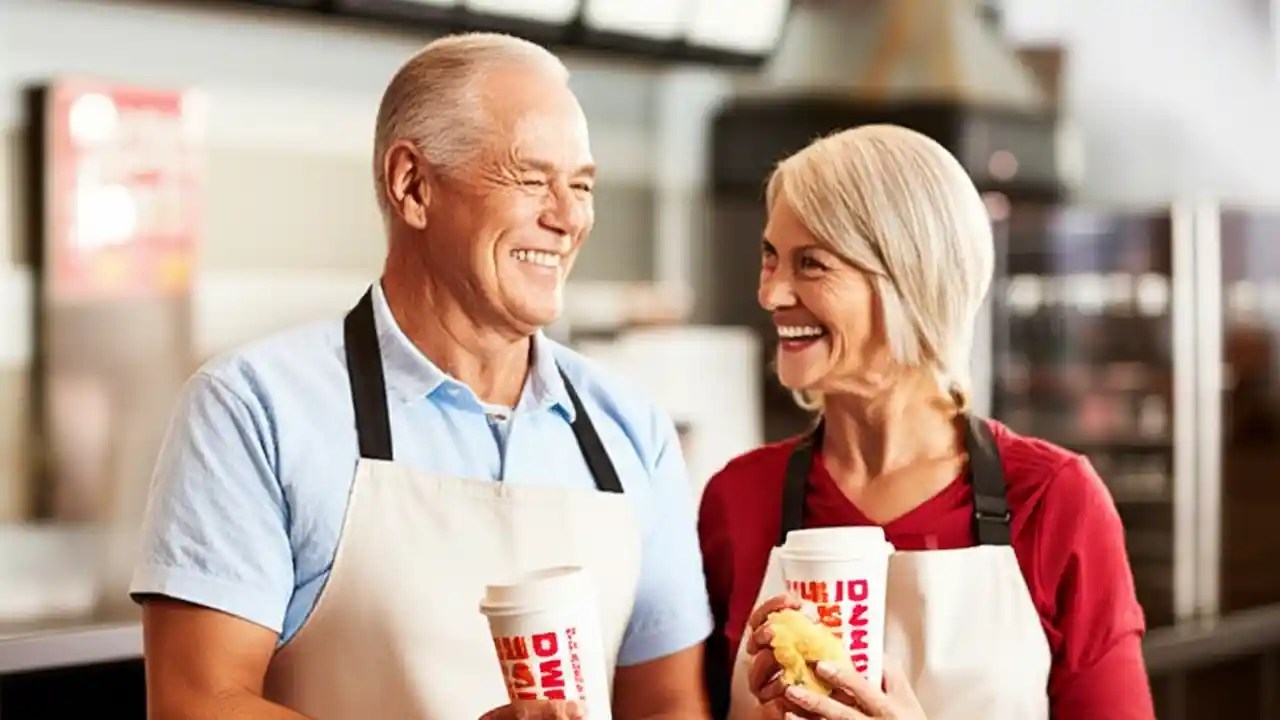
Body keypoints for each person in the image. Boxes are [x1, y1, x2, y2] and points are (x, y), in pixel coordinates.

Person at [130, 32, 713, 720]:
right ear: (412, 185)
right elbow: (197, 703)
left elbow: (667, 704)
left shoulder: (632, 430)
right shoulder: (251, 410)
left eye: (581, 185)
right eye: (531, 179)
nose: (568, 217)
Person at [697, 125, 1156, 720]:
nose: (771, 293)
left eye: (811, 264)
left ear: (908, 281)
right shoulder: (738, 499)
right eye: (771, 257)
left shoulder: (1052, 499)